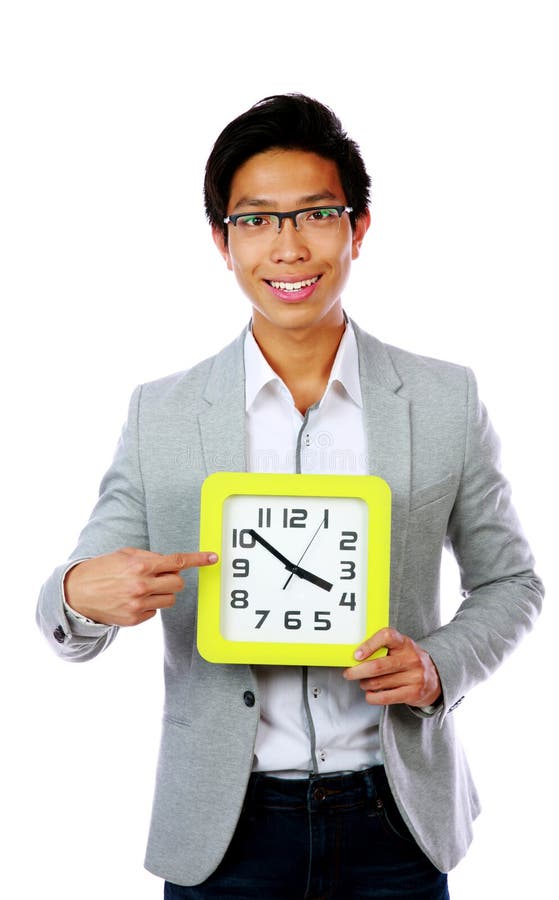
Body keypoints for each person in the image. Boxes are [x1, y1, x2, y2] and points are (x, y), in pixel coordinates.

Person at [37, 94, 543, 899]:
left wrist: (435, 667)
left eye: (314, 214)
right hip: (223, 828)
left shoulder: (444, 400)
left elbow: (512, 583)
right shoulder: (161, 412)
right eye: (256, 221)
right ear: (221, 241)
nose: (287, 246)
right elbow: (69, 606)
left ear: (358, 228)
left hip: (396, 819)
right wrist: (80, 595)